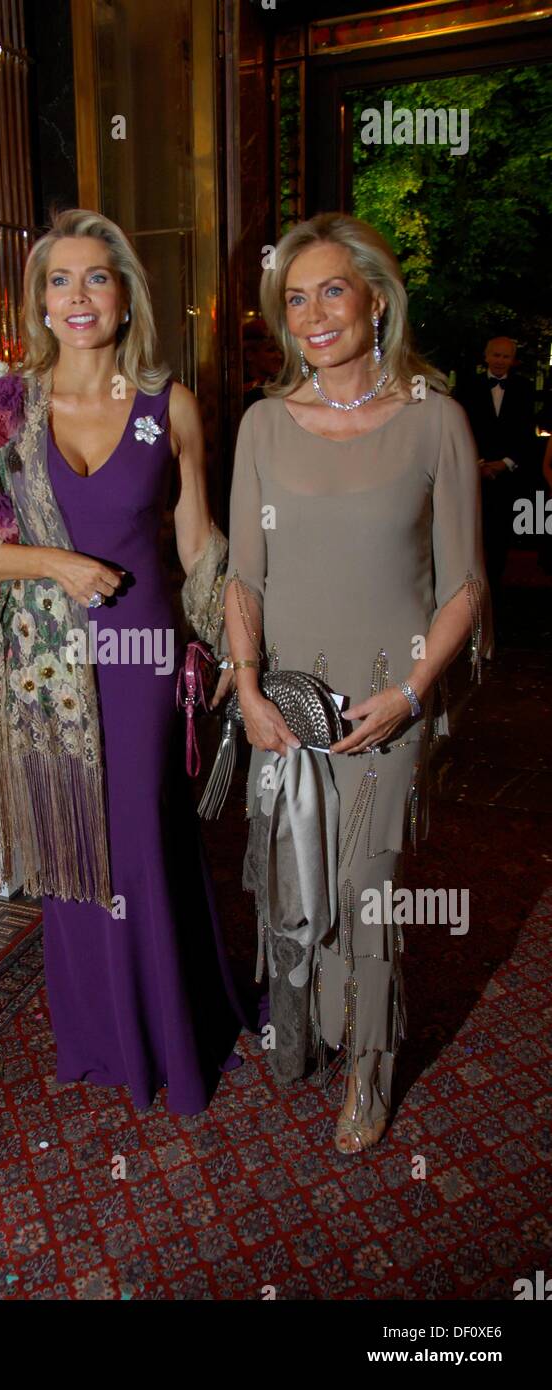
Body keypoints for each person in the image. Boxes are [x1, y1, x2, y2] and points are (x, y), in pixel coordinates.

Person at [0, 208, 252, 1116]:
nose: (78, 297)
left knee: (142, 839)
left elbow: (196, 540)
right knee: (70, 841)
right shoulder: (0, 407)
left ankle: (172, 1034)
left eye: (95, 279)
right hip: (40, 663)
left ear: (124, 296)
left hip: (142, 653)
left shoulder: (167, 405)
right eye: (59, 281)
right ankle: (100, 1034)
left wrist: (236, 638)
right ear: (40, 301)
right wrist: (53, 563)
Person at [222, 212, 490, 1152]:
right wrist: (247, 689)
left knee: (367, 885)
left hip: (388, 701)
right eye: (294, 300)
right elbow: (243, 578)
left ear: (375, 297)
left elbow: (462, 585)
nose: (313, 315)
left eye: (332, 290)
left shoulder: (435, 422)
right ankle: (311, 1029)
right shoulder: (261, 423)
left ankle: (367, 1069)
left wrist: (414, 693)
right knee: (296, 878)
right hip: (285, 704)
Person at [456, 335, 537, 623]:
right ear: (486, 356)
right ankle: (467, 596)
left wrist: (504, 464)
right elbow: (461, 430)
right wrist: (477, 464)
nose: (501, 361)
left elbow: (526, 434)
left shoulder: (525, 390)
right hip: (473, 477)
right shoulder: (467, 388)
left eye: (506, 356)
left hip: (507, 478)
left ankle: (495, 599)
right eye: (497, 355)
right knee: (471, 536)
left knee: (500, 540)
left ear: (512, 360)